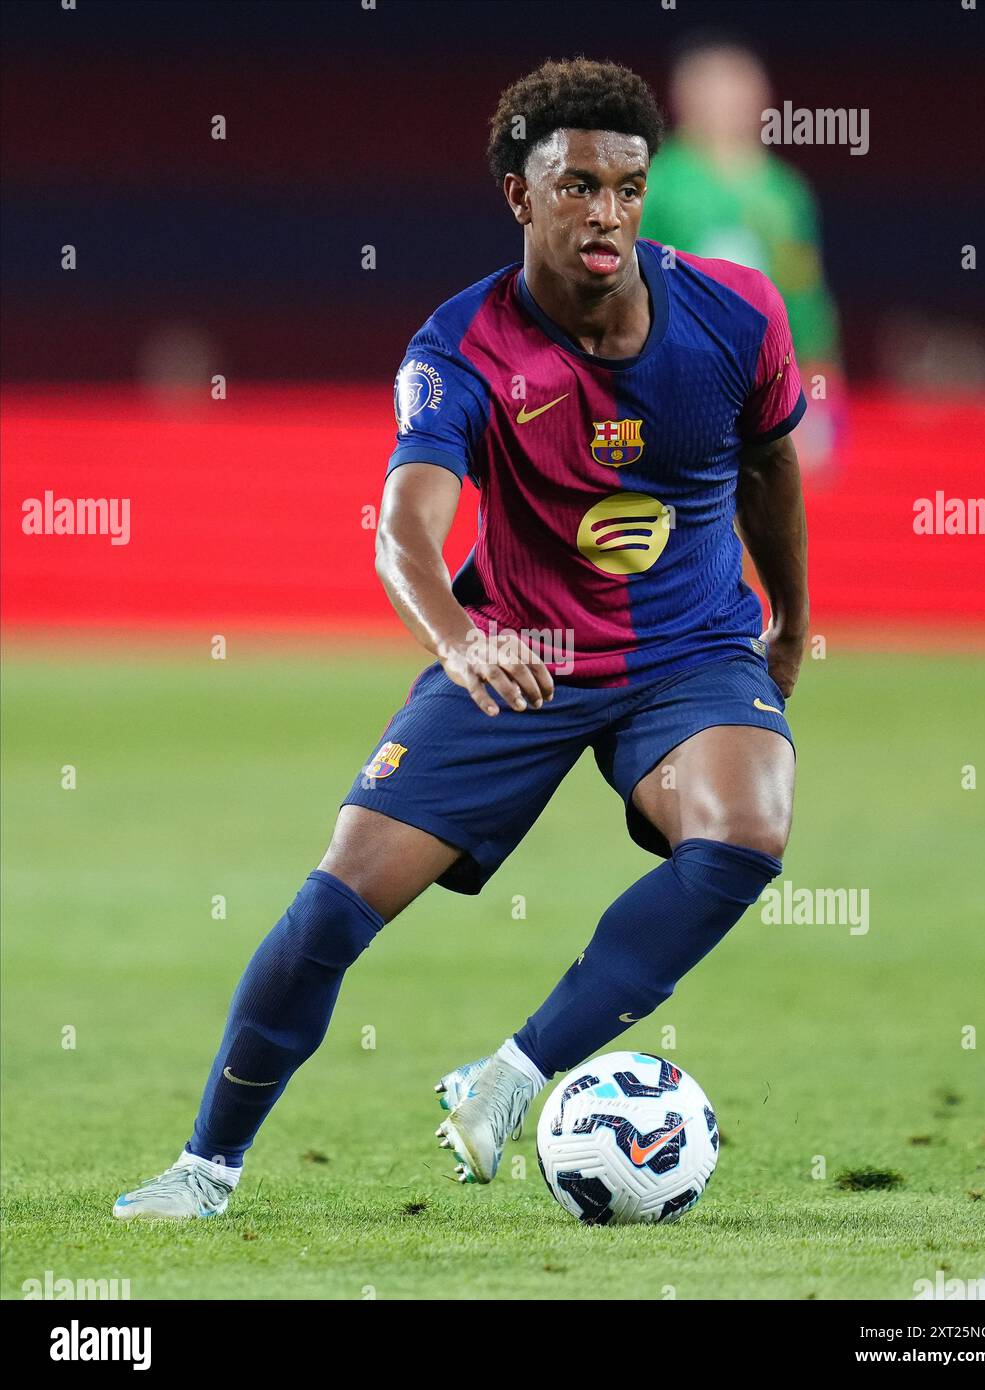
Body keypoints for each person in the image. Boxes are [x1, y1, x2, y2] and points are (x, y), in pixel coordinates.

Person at [114, 57, 808, 1220]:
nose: (606, 213)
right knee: (336, 901)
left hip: (685, 654)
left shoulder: (737, 314)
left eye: (627, 188)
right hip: (519, 654)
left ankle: (509, 1078)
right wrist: (456, 638)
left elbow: (769, 461)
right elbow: (402, 530)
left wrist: (788, 619)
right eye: (576, 185)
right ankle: (204, 1167)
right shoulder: (461, 350)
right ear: (517, 194)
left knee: (745, 830)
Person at [641, 35, 842, 469]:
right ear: (683, 98)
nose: (725, 105)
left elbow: (805, 298)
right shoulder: (654, 184)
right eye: (711, 91)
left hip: (766, 382)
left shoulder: (784, 193)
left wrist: (822, 395)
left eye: (737, 91)